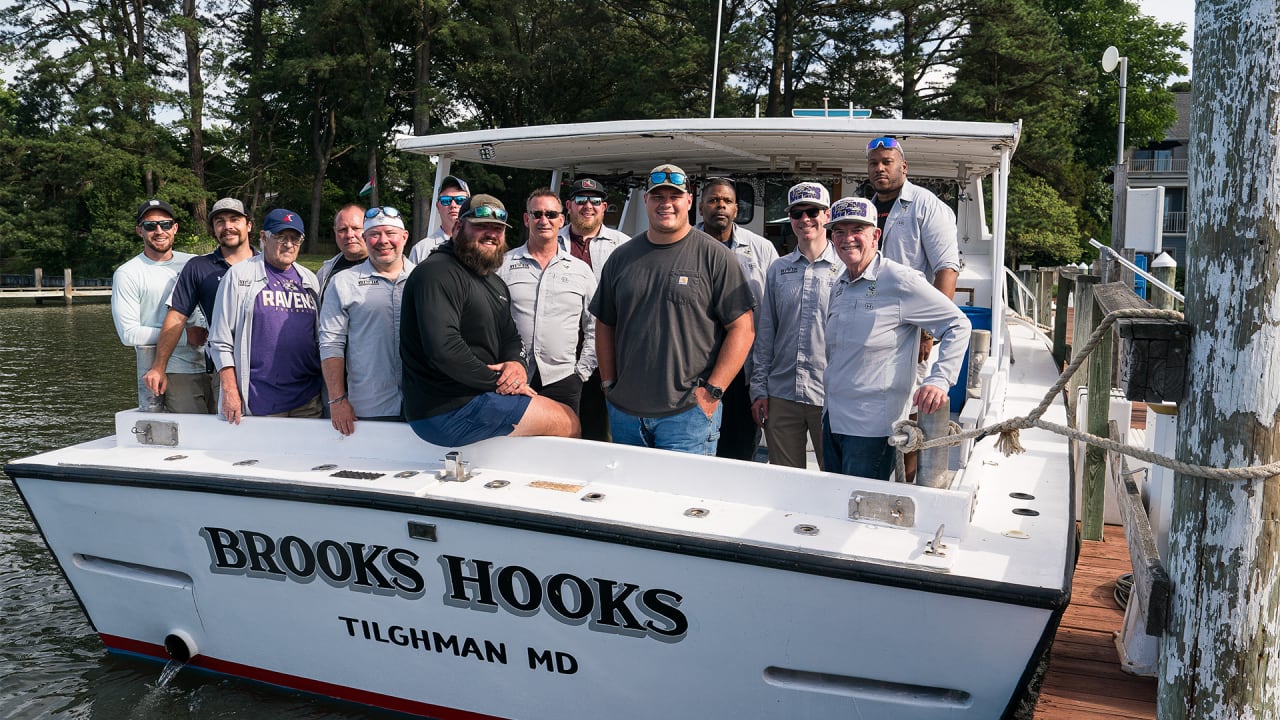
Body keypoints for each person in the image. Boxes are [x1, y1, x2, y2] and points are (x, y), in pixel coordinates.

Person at [590, 164, 755, 456]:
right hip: (626, 414)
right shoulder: (621, 258)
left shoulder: (716, 257)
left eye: (674, 196)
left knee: (684, 499)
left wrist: (713, 392)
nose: (666, 204)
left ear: (689, 201)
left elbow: (743, 328)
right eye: (657, 197)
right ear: (646, 201)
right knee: (629, 498)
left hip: (688, 416)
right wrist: (608, 384)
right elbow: (605, 323)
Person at [401, 194, 579, 446]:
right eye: (481, 226)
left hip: (479, 396)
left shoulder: (492, 280)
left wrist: (516, 365)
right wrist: (504, 384)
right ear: (459, 227)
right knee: (567, 421)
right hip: (447, 409)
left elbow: (510, 335)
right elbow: (445, 350)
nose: (491, 234)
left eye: (497, 229)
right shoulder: (436, 272)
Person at [822, 197, 970, 480]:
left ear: (875, 235)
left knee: (859, 511)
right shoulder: (840, 283)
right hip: (833, 420)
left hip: (872, 428)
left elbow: (957, 324)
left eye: (857, 230)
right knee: (832, 505)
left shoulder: (900, 280)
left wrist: (940, 380)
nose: (847, 238)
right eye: (839, 231)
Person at [750, 182, 842, 469]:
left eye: (812, 211)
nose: (805, 219)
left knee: (835, 479)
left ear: (826, 215)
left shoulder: (847, 268)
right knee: (784, 483)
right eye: (797, 213)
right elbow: (766, 333)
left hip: (830, 395)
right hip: (782, 395)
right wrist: (759, 389)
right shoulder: (778, 268)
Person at [208, 209, 323, 423]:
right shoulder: (239, 275)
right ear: (263, 237)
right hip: (260, 399)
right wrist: (230, 391)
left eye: (295, 238)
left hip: (308, 398)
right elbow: (220, 341)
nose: (289, 244)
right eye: (281, 237)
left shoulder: (309, 279)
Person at [142, 197, 256, 405]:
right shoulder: (198, 267)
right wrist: (158, 367)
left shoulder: (268, 264)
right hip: (224, 371)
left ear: (248, 225)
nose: (227, 226)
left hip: (268, 371)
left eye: (234, 219)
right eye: (219, 221)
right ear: (213, 228)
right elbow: (176, 317)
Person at [695, 177, 778, 461]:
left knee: (740, 453)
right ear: (700, 206)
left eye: (727, 201)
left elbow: (771, 312)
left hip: (744, 373)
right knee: (697, 452)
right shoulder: (684, 246)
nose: (720, 206)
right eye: (713, 200)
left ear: (736, 208)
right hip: (696, 373)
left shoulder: (761, 249)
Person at [498, 189, 597, 414]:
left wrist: (581, 372)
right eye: (537, 214)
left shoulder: (580, 270)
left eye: (551, 215)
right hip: (515, 377)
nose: (544, 220)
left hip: (563, 378)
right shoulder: (503, 265)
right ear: (526, 219)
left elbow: (594, 325)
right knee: (513, 446)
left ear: (562, 220)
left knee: (562, 446)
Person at [319, 207, 414, 435]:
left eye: (390, 233)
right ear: (365, 238)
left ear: (404, 236)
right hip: (369, 406)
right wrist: (337, 400)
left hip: (421, 404)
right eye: (374, 234)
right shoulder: (343, 283)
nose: (383, 241)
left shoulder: (424, 278)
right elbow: (331, 345)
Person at [111, 199, 211, 413]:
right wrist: (185, 336)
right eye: (150, 225)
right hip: (175, 371)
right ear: (140, 230)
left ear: (175, 228)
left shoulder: (195, 262)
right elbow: (128, 334)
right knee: (192, 435)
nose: (159, 231)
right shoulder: (128, 273)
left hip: (215, 366)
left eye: (165, 224)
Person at [557, 177, 630, 442]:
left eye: (595, 201)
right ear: (569, 206)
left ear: (604, 207)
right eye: (580, 200)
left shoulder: (625, 245)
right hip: (561, 357)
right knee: (561, 430)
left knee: (602, 433)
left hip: (609, 356)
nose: (588, 206)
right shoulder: (551, 241)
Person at [408, 175, 469, 264]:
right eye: (446, 200)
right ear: (437, 206)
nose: (453, 205)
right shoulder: (421, 249)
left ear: (469, 205)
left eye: (460, 200)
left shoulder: (482, 246)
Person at [317, 203, 367, 302]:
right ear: (335, 231)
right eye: (342, 230)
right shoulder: (324, 273)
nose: (349, 235)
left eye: (356, 228)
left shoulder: (386, 269)